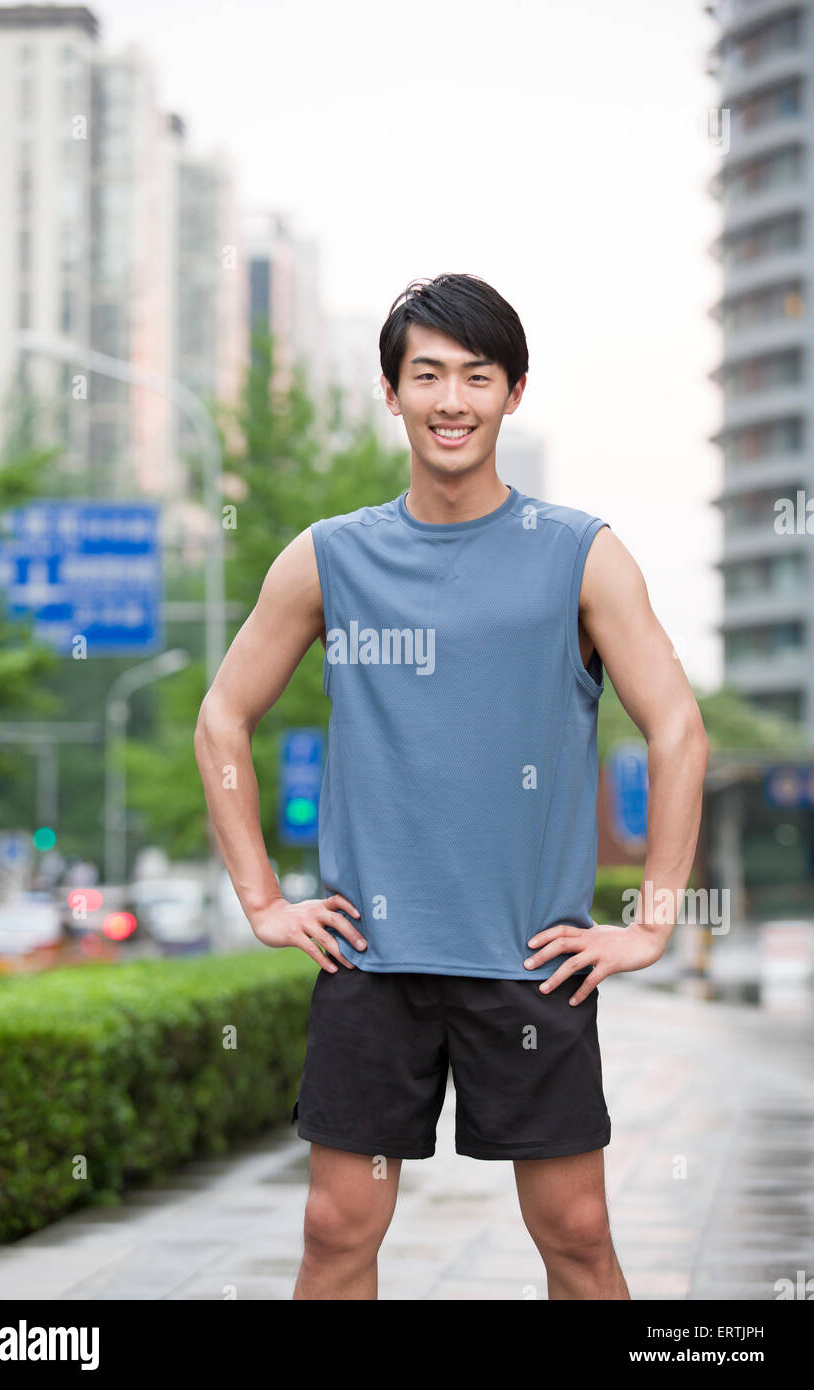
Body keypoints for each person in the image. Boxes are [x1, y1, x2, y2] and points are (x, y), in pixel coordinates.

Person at [194, 272, 709, 1301]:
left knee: (574, 1233)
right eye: (425, 373)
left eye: (477, 375)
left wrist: (650, 922)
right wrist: (259, 898)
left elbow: (677, 727)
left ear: (512, 392)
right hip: (369, 958)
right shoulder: (328, 557)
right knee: (336, 1232)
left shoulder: (579, 555)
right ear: (391, 391)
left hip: (528, 963)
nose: (450, 399)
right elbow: (221, 717)